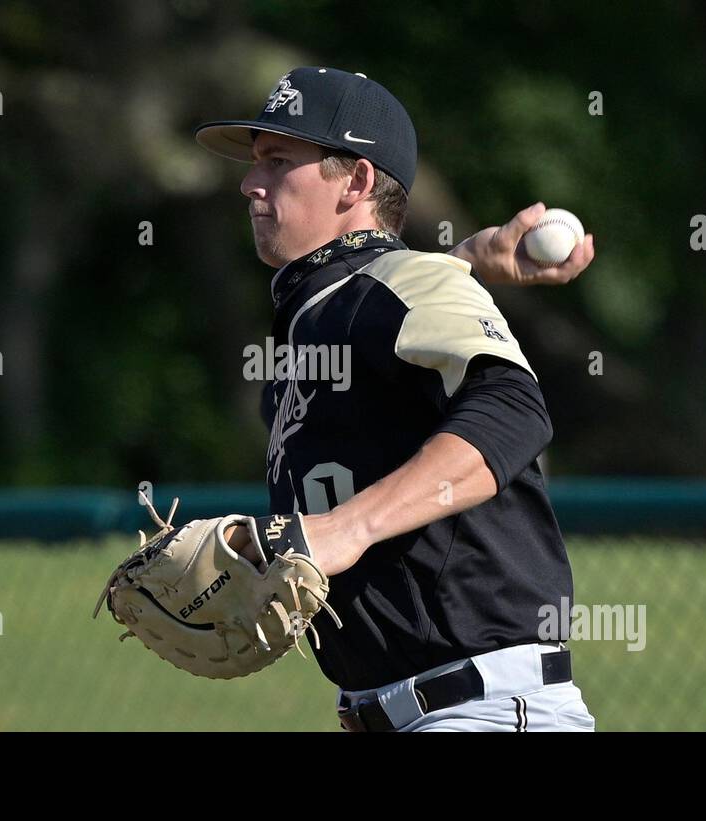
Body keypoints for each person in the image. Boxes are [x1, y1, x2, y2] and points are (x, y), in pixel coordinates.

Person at [194, 67, 596, 731]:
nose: (249, 183)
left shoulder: (402, 285)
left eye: (278, 160)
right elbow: (380, 311)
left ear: (354, 181)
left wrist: (344, 529)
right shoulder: (332, 315)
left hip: (479, 711)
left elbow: (512, 409)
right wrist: (461, 259)